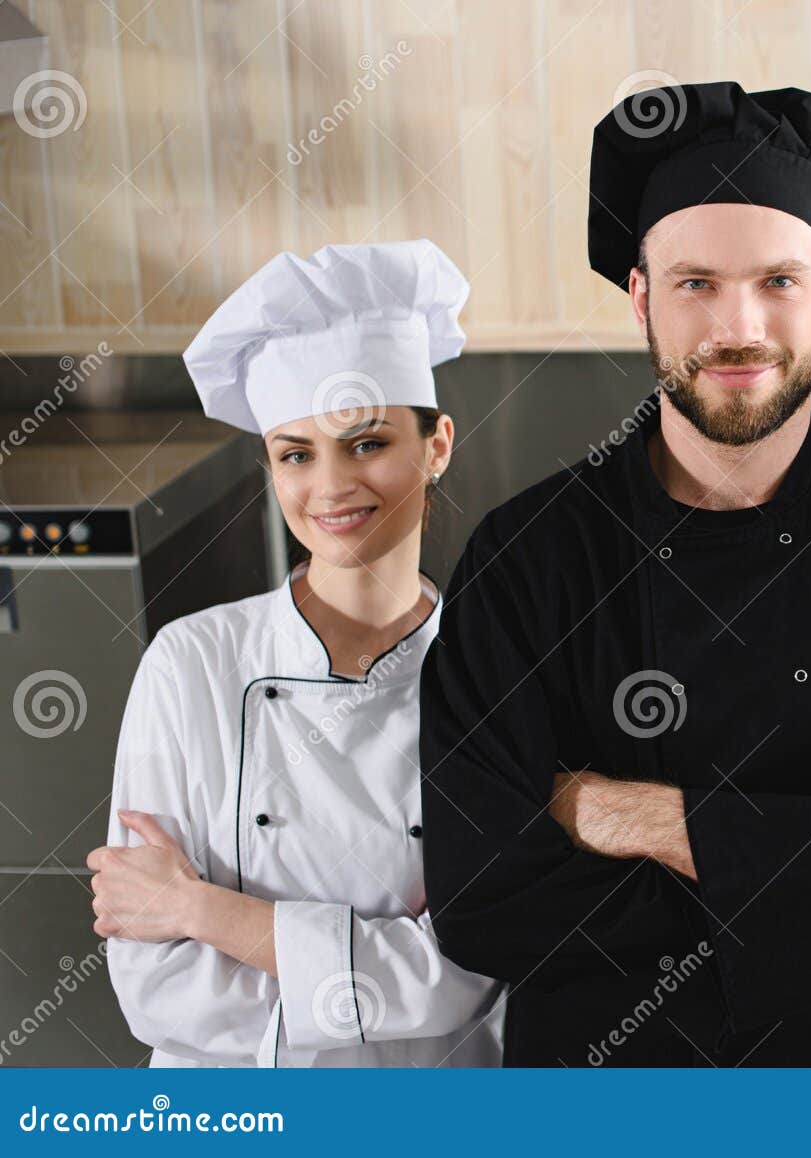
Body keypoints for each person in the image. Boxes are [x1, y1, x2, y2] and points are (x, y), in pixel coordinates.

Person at [420, 81, 811, 1066]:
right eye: (696, 283)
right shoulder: (529, 554)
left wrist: (634, 815)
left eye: (778, 282)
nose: (737, 325)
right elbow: (482, 900)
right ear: (641, 299)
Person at [89, 239, 504, 1067]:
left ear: (438, 444)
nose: (330, 488)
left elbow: (479, 966)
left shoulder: (499, 671)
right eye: (296, 454)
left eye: (367, 442)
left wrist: (206, 912)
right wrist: (386, 992)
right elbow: (154, 987)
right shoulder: (192, 663)